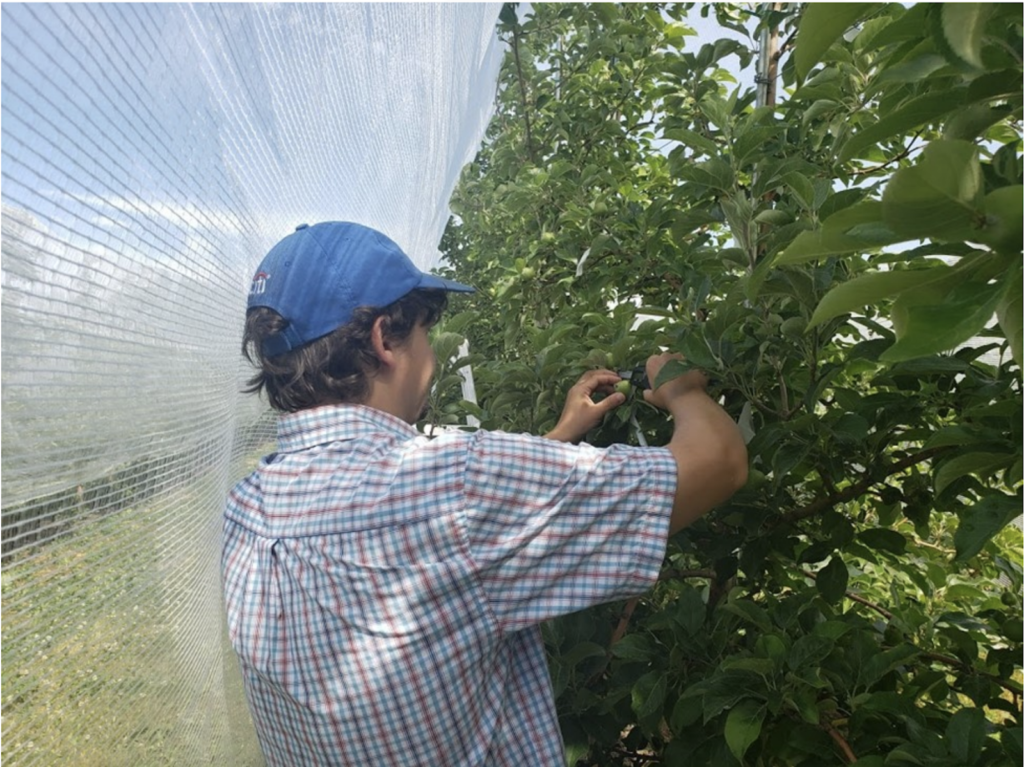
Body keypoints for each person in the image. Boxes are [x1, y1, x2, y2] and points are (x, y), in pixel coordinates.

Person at [222, 221, 748, 766]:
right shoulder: (458, 485)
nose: (432, 350)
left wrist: (557, 441)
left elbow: (444, 549)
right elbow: (718, 463)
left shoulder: (247, 509)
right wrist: (682, 387)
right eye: (426, 331)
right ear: (384, 340)